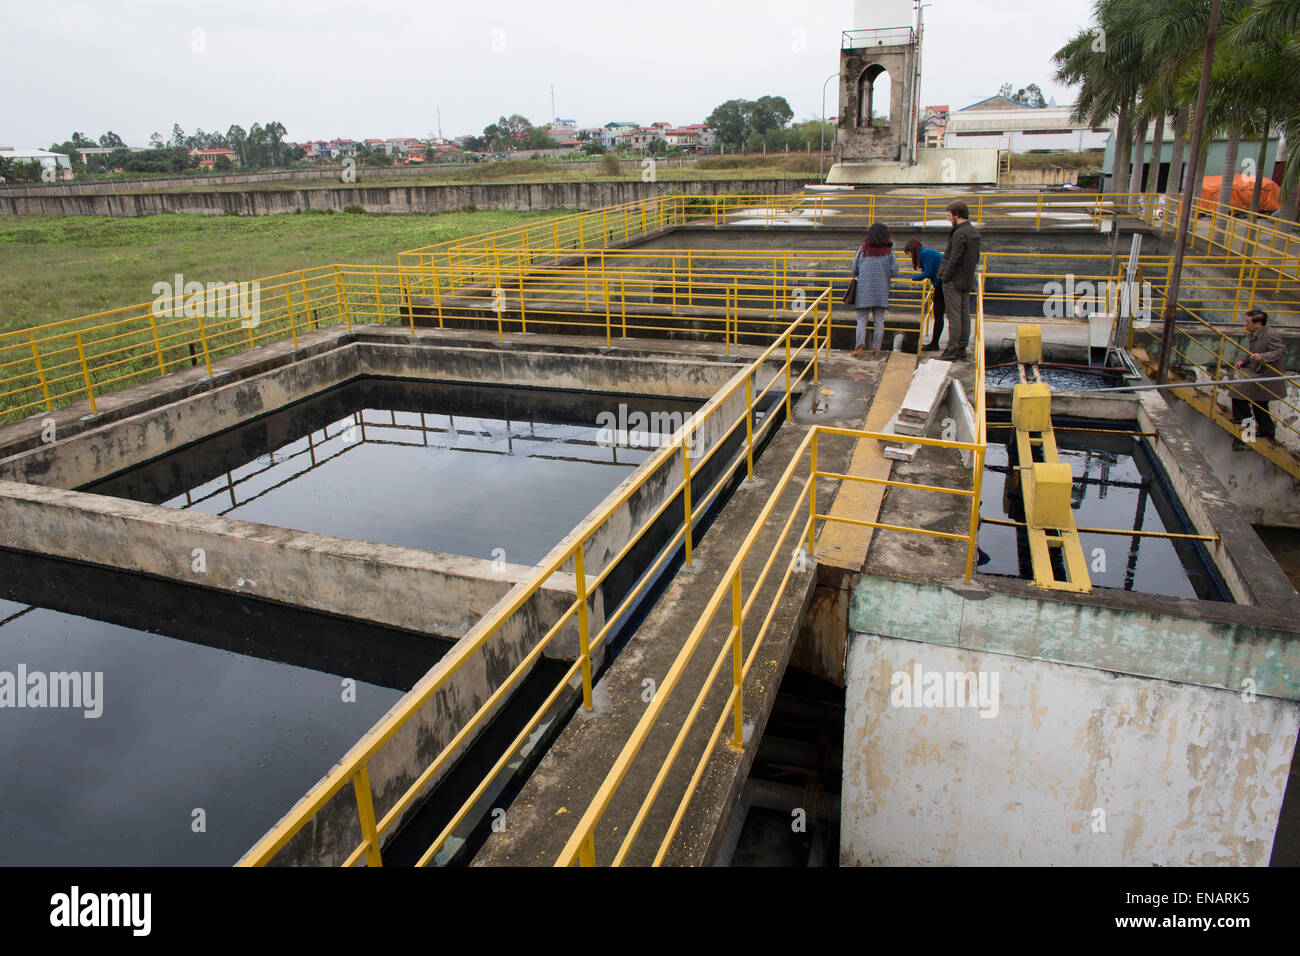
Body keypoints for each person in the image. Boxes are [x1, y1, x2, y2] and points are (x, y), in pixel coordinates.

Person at [1231, 309, 1286, 441]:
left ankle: (1252, 424)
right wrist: (1243, 361)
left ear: (1258, 323)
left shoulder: (1270, 335)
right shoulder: (1255, 333)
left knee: (1241, 393)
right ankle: (1264, 430)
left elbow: (1281, 351)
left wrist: (1263, 356)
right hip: (1259, 373)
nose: (1245, 324)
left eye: (1248, 322)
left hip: (1268, 375)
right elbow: (1252, 351)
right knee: (1258, 402)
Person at [936, 200, 981, 361]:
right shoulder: (973, 232)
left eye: (949, 216)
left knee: (954, 316)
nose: (948, 219)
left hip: (954, 280)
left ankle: (951, 350)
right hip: (967, 279)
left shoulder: (959, 233)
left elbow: (954, 258)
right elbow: (975, 257)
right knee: (964, 315)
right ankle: (961, 347)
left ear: (957, 215)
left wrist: (945, 277)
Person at [848, 222, 899, 357]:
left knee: (861, 320)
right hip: (881, 291)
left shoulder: (863, 250)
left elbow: (854, 269)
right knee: (879, 320)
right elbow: (895, 271)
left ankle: (859, 348)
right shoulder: (889, 252)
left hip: (863, 291)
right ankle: (877, 349)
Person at [904, 238, 945, 352]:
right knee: (938, 315)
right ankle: (934, 343)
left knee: (938, 315)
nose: (910, 256)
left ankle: (935, 344)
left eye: (910, 253)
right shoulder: (927, 252)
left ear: (913, 250)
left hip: (942, 285)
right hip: (942, 284)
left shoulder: (926, 254)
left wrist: (914, 278)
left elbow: (928, 273)